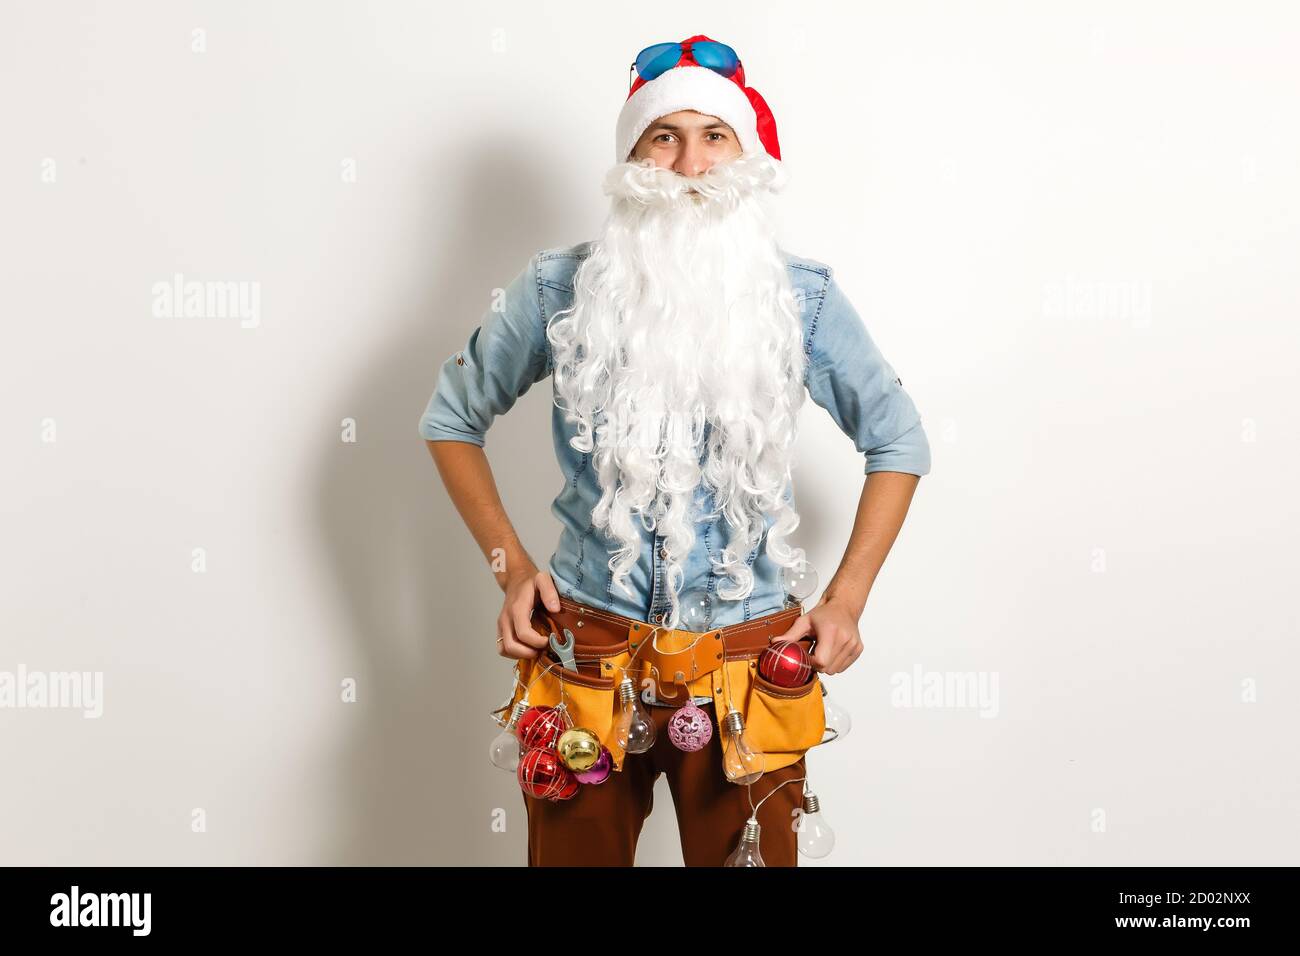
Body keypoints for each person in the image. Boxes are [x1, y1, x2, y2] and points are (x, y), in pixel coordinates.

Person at [420, 35, 931, 866]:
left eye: (714, 136)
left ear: (746, 155)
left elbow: (898, 439)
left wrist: (848, 599)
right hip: (585, 654)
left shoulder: (801, 298)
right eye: (664, 135)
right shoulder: (558, 287)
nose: (691, 164)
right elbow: (451, 418)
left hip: (749, 663)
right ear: (631, 157)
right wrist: (510, 569)